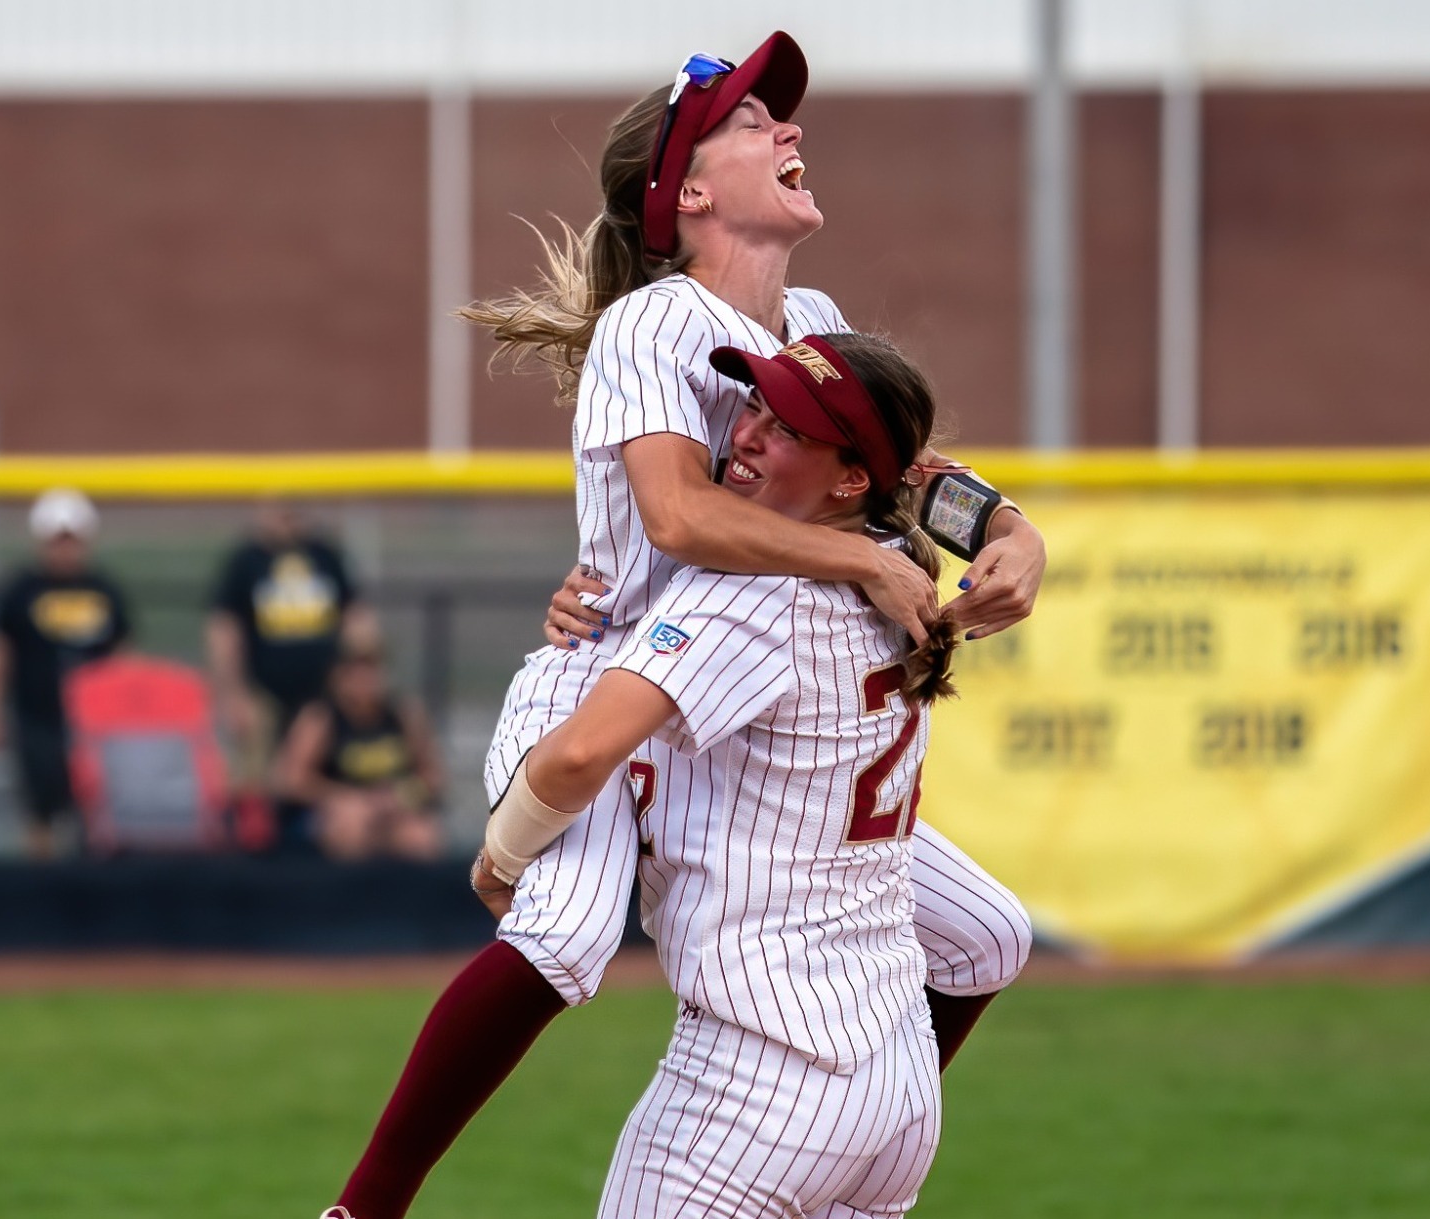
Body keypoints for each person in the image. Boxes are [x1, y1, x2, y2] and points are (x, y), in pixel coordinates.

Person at [325, 33, 1038, 1219]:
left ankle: (853, 1107)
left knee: (986, 932)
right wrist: (859, 562)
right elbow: (673, 513)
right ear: (689, 192)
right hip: (615, 676)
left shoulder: (806, 311)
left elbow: (893, 465)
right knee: (560, 939)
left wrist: (1011, 528)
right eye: (754, 123)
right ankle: (362, 1206)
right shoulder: (655, 320)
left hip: (739, 706)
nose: (789, 130)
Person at [481, 333, 968, 1216]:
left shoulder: (753, 597)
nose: (744, 433)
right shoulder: (892, 570)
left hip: (758, 1079)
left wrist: (501, 857)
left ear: (853, 478)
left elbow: (580, 753)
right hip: (894, 1077)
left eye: (786, 430)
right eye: (753, 407)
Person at [206, 499, 374, 852]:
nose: (287, 517)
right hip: (263, 693)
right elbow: (225, 631)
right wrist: (233, 695)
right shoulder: (248, 560)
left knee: (316, 780)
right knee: (255, 785)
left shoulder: (324, 556)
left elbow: (355, 620)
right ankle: (254, 860)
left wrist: (357, 682)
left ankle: (313, 853)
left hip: (321, 696)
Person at [0, 488, 132, 859]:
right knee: (41, 809)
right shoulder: (21, 590)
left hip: (94, 723)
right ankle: (43, 886)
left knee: (95, 807)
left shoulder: (103, 589)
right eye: (57, 540)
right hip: (37, 716)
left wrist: (125, 713)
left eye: (71, 540)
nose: (64, 550)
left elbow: (122, 654)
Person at [275, 640, 447, 862]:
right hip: (334, 809)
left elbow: (433, 776)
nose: (364, 681)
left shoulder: (403, 715)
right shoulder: (321, 718)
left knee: (421, 835)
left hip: (392, 806)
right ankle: (351, 894)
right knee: (352, 824)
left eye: (371, 671)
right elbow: (290, 780)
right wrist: (344, 797)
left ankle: (412, 895)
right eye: (355, 673)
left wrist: (400, 796)